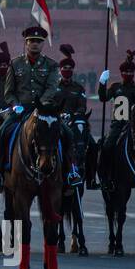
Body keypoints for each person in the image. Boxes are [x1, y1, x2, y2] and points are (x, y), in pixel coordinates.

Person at [0, 25, 58, 185]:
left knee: (66, 134)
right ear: (26, 43)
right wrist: (15, 105)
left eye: (38, 41)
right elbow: (8, 92)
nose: (35, 44)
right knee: (2, 132)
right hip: (21, 109)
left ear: (43, 44)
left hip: (44, 110)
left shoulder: (51, 65)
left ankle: (70, 171)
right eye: (31, 41)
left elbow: (51, 88)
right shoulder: (15, 64)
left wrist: (41, 105)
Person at [97, 48, 135, 181]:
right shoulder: (115, 87)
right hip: (118, 124)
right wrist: (102, 83)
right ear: (121, 73)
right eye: (126, 72)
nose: (128, 74)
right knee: (107, 146)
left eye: (131, 72)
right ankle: (106, 175)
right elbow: (103, 98)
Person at [44, 44, 89, 183]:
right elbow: (48, 103)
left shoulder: (78, 87)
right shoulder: (53, 87)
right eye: (64, 68)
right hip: (56, 120)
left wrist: (75, 114)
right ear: (60, 70)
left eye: (69, 69)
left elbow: (82, 106)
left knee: (92, 145)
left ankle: (91, 177)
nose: (67, 71)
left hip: (74, 121)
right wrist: (58, 113)